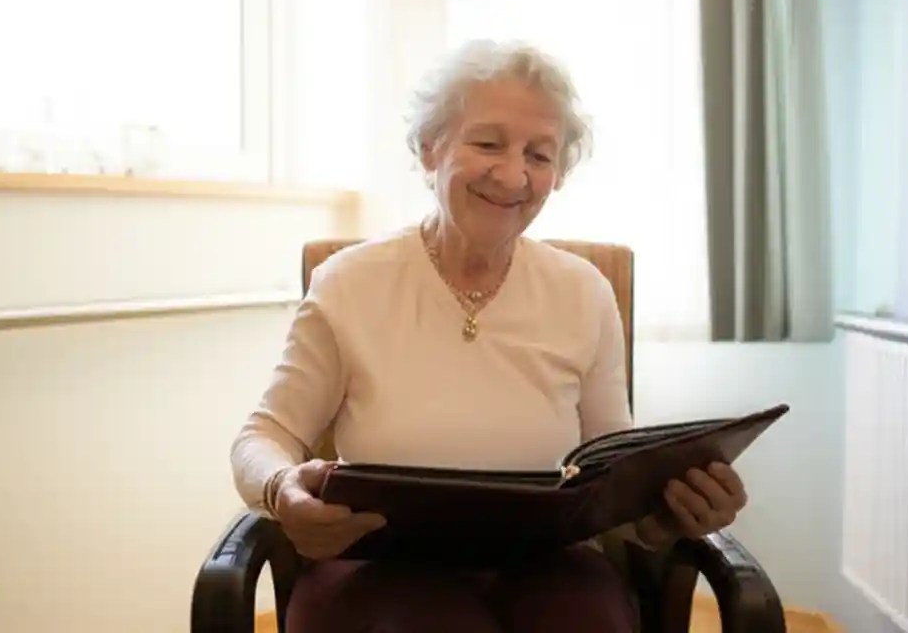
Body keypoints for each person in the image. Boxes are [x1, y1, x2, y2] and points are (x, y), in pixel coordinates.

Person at [230, 40, 750, 632]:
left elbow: (613, 479)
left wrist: (666, 516)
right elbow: (264, 434)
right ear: (430, 150)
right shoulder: (349, 282)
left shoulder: (585, 292)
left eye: (539, 154)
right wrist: (278, 488)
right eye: (487, 143)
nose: (513, 174)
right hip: (381, 566)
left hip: (548, 565)